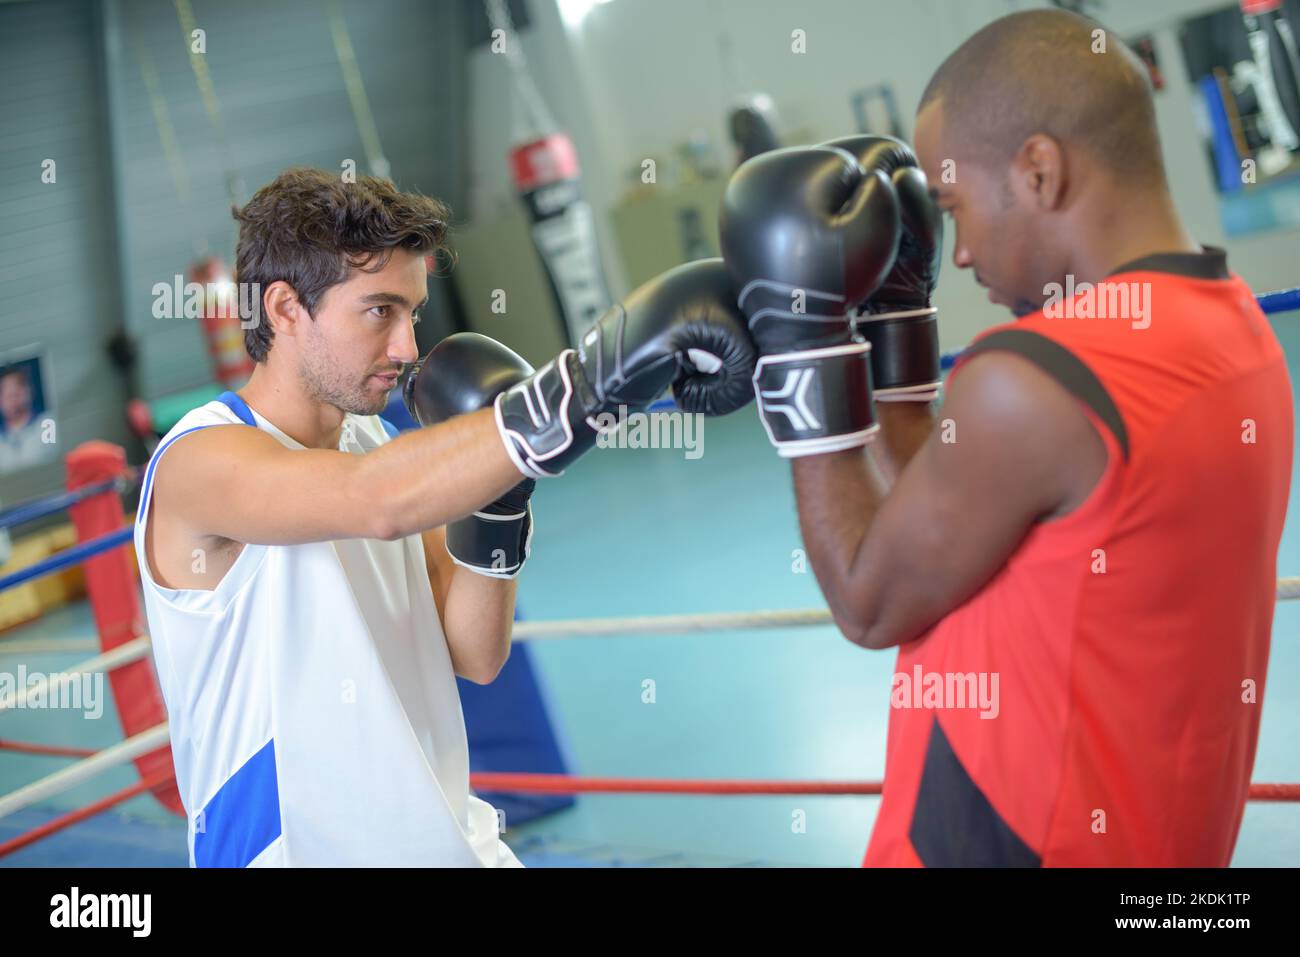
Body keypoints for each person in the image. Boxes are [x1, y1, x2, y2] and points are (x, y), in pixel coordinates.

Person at [720, 9, 1293, 866]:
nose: (958, 254)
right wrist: (896, 325)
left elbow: (869, 601)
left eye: (953, 204)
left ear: (1037, 171)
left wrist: (805, 343)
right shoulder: (1237, 331)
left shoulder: (1036, 379)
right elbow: (957, 522)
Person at [134, 167, 755, 867]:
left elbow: (475, 654)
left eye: (412, 313)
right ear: (283, 309)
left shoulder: (379, 445)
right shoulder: (197, 461)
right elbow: (372, 501)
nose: (405, 347)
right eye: (378, 311)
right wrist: (596, 377)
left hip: (450, 842)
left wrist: (500, 497)